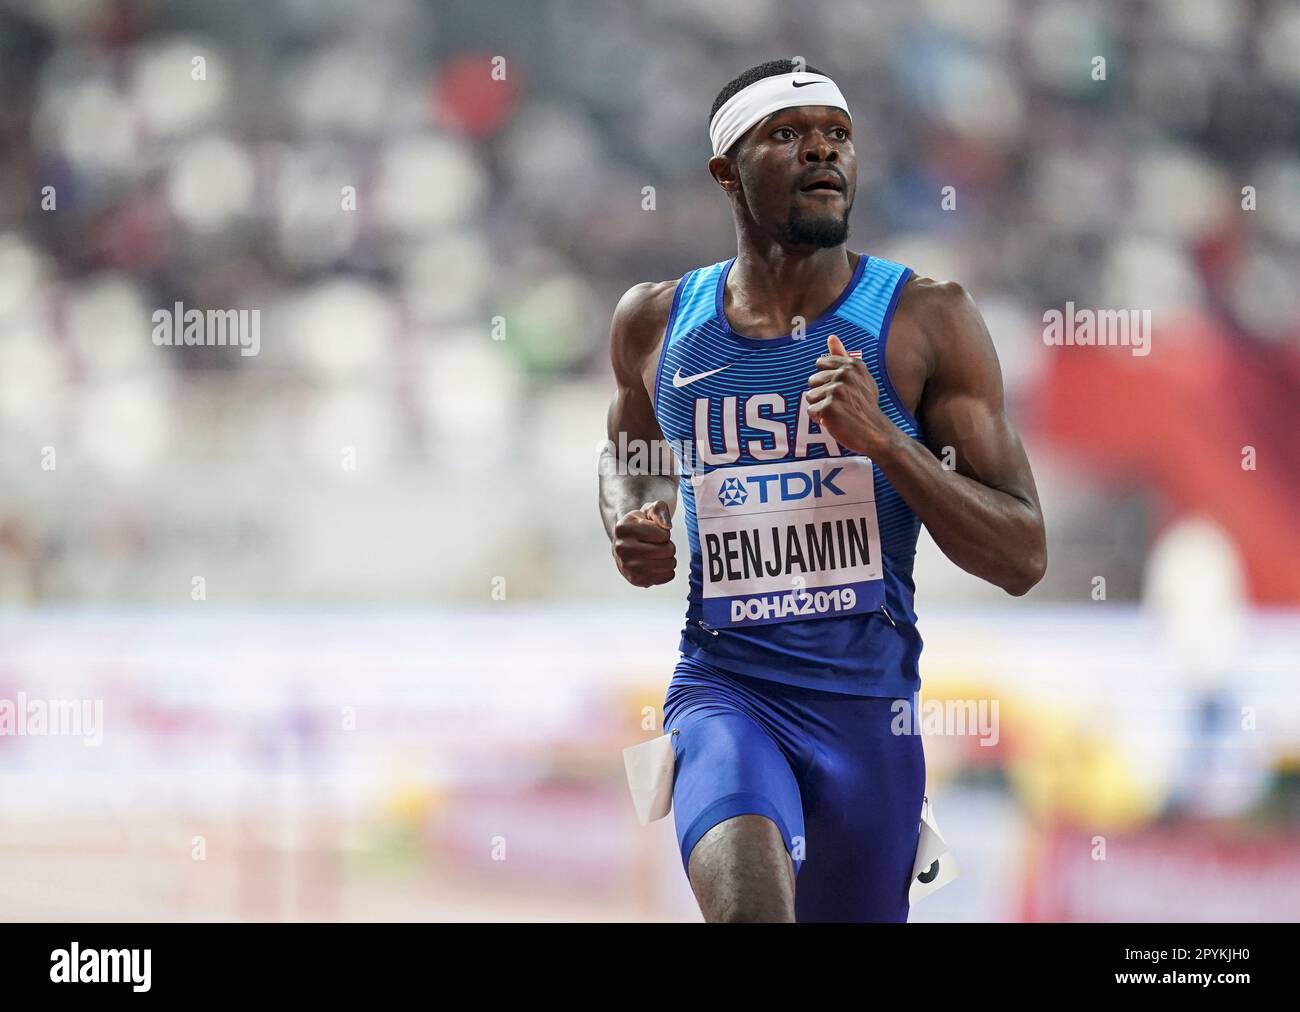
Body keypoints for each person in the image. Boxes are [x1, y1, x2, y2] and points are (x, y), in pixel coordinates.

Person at [598, 59, 1046, 922]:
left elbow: (1023, 554)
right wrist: (633, 522)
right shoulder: (655, 322)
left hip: (869, 717)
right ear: (726, 172)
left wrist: (886, 444)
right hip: (725, 692)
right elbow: (630, 458)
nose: (821, 153)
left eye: (836, 135)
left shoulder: (926, 320)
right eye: (788, 135)